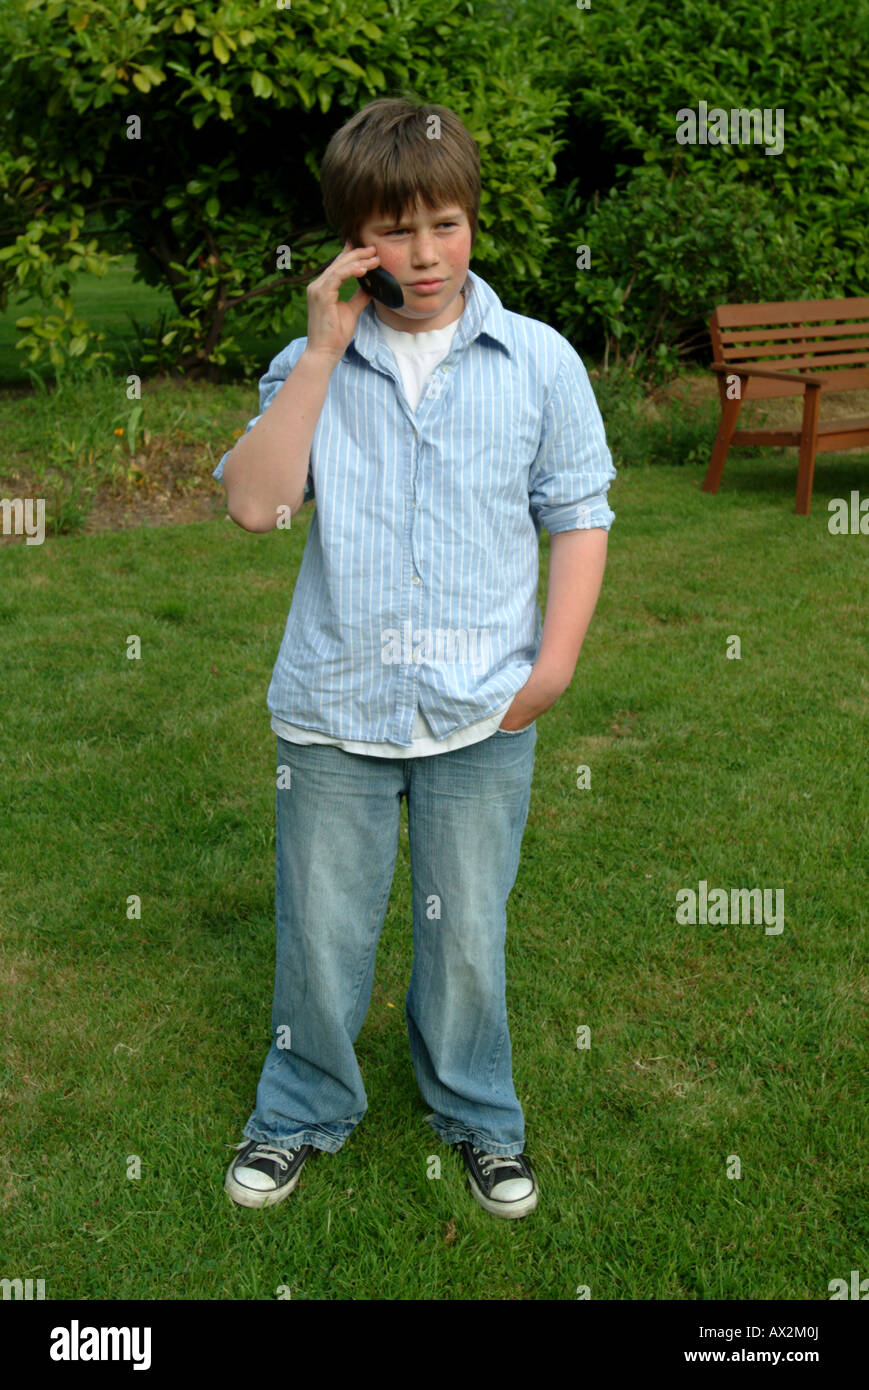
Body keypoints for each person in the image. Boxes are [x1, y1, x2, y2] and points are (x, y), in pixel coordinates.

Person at [213, 98, 615, 1219]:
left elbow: (576, 514)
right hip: (332, 712)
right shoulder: (310, 360)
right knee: (322, 931)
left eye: (444, 223)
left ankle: (478, 1116)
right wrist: (325, 349)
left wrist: (556, 664)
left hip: (485, 709)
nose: (424, 254)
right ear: (352, 241)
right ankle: (298, 1109)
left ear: (472, 221)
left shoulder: (536, 361)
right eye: (393, 231)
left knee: (467, 931)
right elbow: (255, 507)